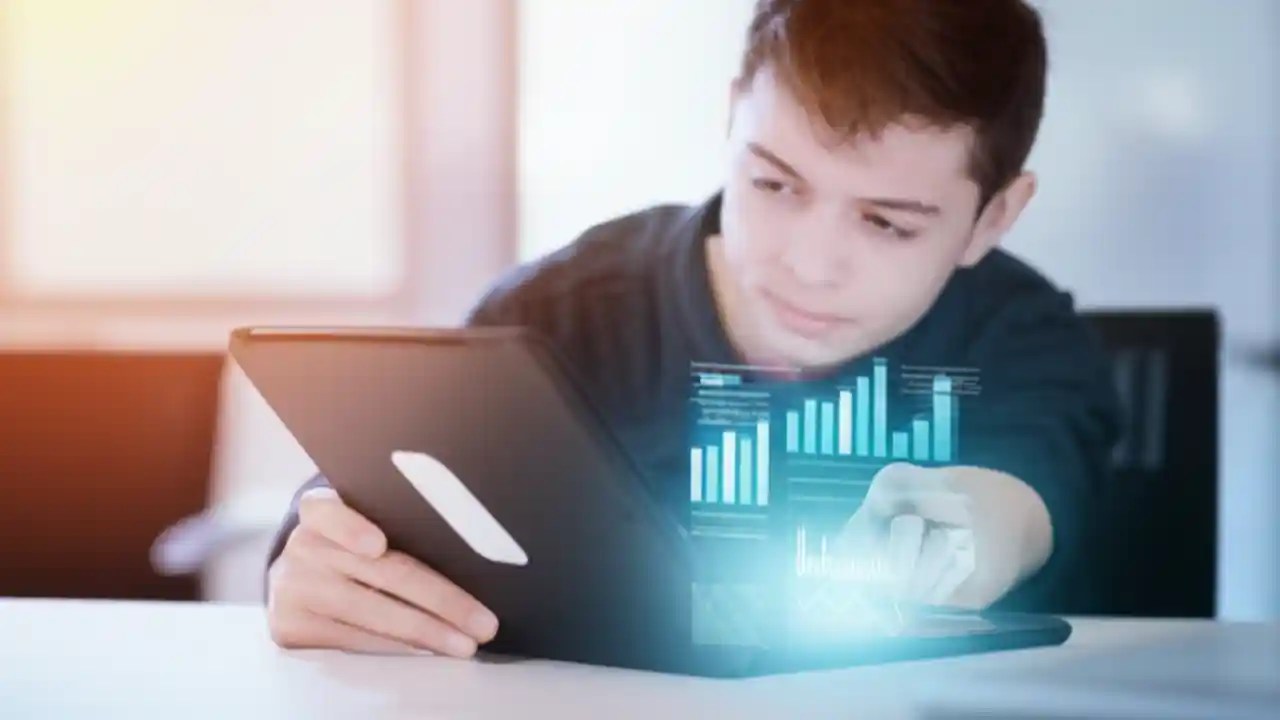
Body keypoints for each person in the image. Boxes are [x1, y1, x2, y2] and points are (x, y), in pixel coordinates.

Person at [264, 0, 1120, 658]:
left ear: (994, 217)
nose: (808, 265)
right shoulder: (556, 318)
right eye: (775, 185)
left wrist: (982, 530)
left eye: (887, 223)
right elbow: (346, 517)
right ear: (731, 118)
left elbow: (1030, 499)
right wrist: (321, 570)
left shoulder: (1022, 341)